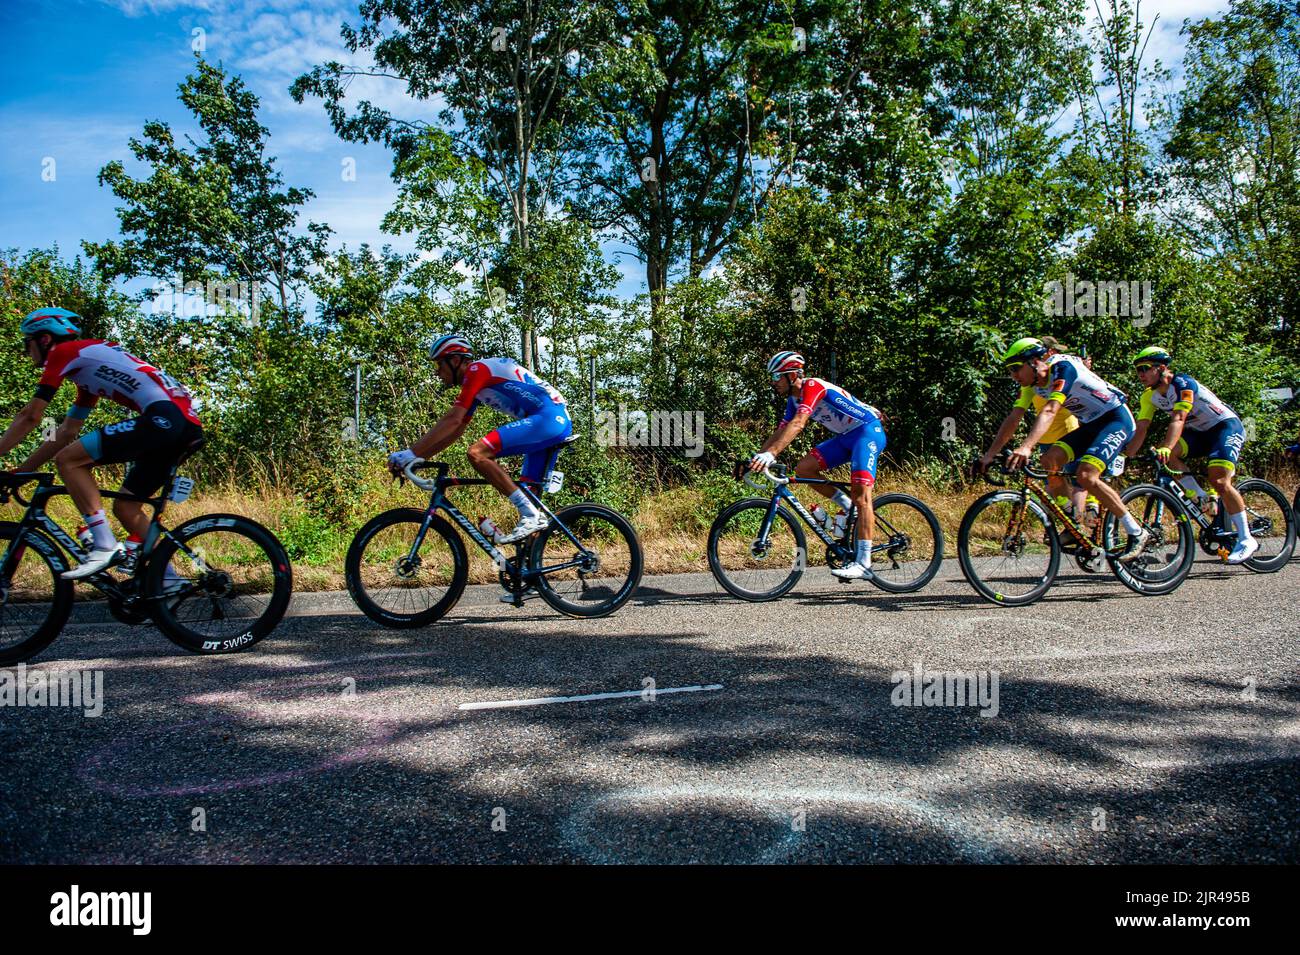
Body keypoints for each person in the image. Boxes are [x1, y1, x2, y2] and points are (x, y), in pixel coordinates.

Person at [0, 307, 204, 580]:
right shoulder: (86, 375)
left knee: (68, 461)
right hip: (183, 425)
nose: (27, 351)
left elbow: (31, 416)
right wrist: (22, 472)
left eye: (28, 343)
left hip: (164, 418)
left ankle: (105, 545)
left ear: (45, 339)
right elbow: (66, 432)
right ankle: (166, 579)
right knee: (126, 508)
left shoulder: (65, 353)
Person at [386, 333, 572, 545]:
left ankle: (531, 515)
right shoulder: (476, 383)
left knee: (477, 453)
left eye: (439, 365)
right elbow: (456, 430)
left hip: (548, 419)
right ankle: (529, 570)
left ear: (455, 360)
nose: (437, 373)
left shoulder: (477, 370)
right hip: (547, 422)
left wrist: (410, 453)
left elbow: (453, 420)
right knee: (530, 504)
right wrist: (418, 458)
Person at [977, 337, 1149, 560]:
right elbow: (1014, 417)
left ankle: (1136, 532)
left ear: (1035, 362)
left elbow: (1050, 410)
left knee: (1086, 475)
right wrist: (989, 455)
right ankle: (1072, 517)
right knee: (1049, 460)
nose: (1013, 376)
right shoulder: (1032, 385)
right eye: (1010, 371)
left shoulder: (1062, 369)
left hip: (1115, 419)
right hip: (1091, 424)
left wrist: (1027, 447)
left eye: (1016, 368)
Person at [749, 351, 886, 581]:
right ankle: (846, 507)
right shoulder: (794, 399)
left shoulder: (812, 386)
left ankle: (864, 564)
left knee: (862, 497)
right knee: (804, 469)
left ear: (792, 375)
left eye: (776, 377)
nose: (773, 383)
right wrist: (757, 456)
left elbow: (799, 423)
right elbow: (782, 429)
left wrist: (772, 454)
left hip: (866, 433)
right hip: (845, 437)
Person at [1122, 346, 1256, 564]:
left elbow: (1178, 418)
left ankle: (1246, 538)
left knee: (1220, 479)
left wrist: (1166, 445)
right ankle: (1201, 497)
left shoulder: (1183, 384)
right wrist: (1127, 456)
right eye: (1138, 370)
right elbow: (1142, 427)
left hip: (1224, 427)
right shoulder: (1149, 397)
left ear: (1162, 368)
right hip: (1199, 434)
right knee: (1168, 456)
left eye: (1145, 368)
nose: (1141, 375)